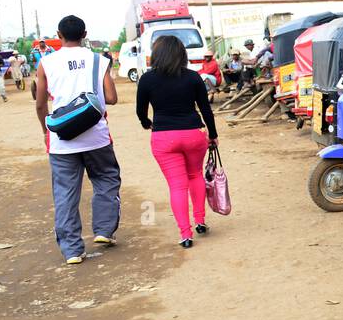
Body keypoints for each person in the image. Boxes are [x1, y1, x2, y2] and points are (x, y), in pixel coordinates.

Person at [34, 15, 121, 265]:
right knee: (106, 179)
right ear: (85, 34)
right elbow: (112, 98)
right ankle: (104, 231)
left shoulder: (46, 63)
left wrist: (44, 131)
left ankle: (72, 250)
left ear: (59, 35)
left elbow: (41, 104)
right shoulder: (99, 60)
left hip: (62, 140)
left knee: (65, 193)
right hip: (97, 137)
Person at [136, 34, 218, 249]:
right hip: (193, 134)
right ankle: (200, 221)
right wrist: (213, 134)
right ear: (181, 54)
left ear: (157, 55)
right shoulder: (193, 77)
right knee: (195, 175)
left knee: (177, 186)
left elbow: (140, 111)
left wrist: (147, 123)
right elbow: (206, 109)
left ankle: (185, 234)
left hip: (164, 137)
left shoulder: (147, 79)